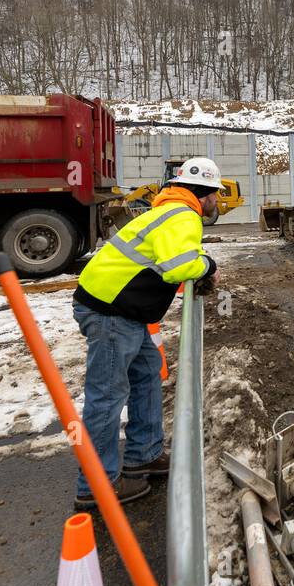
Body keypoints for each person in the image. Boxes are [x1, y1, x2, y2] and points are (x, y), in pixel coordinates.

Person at [69, 156, 221, 510]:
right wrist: (209, 266)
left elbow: (175, 255)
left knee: (146, 376)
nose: (217, 203)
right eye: (215, 194)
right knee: (107, 396)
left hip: (121, 310)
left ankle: (143, 454)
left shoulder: (168, 212)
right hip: (110, 312)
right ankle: (96, 485)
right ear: (206, 194)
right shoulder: (184, 216)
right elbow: (179, 266)